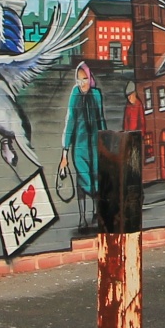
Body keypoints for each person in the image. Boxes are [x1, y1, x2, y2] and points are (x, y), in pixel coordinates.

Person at [59, 61, 104, 230]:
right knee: (82, 178)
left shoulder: (96, 95)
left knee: (96, 179)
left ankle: (96, 213)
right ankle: (82, 218)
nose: (82, 83)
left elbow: (101, 119)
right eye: (79, 80)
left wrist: (105, 142)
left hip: (95, 146)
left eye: (84, 79)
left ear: (89, 77)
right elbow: (70, 122)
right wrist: (65, 153)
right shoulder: (75, 95)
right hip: (80, 148)